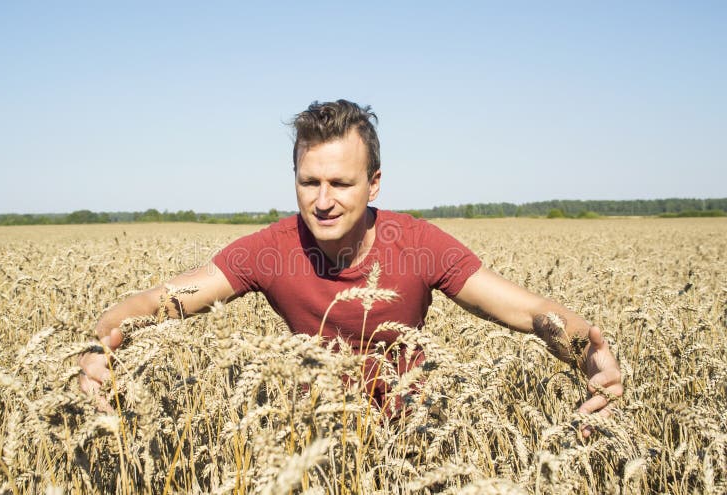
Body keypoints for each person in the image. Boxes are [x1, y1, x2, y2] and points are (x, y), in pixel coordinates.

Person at [79, 99, 622, 433]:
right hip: (314, 441)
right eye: (308, 181)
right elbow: (163, 301)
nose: (322, 200)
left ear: (374, 183)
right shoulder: (268, 249)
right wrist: (104, 339)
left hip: (413, 439)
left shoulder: (417, 243)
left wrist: (583, 348)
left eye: (340, 183)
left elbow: (527, 312)